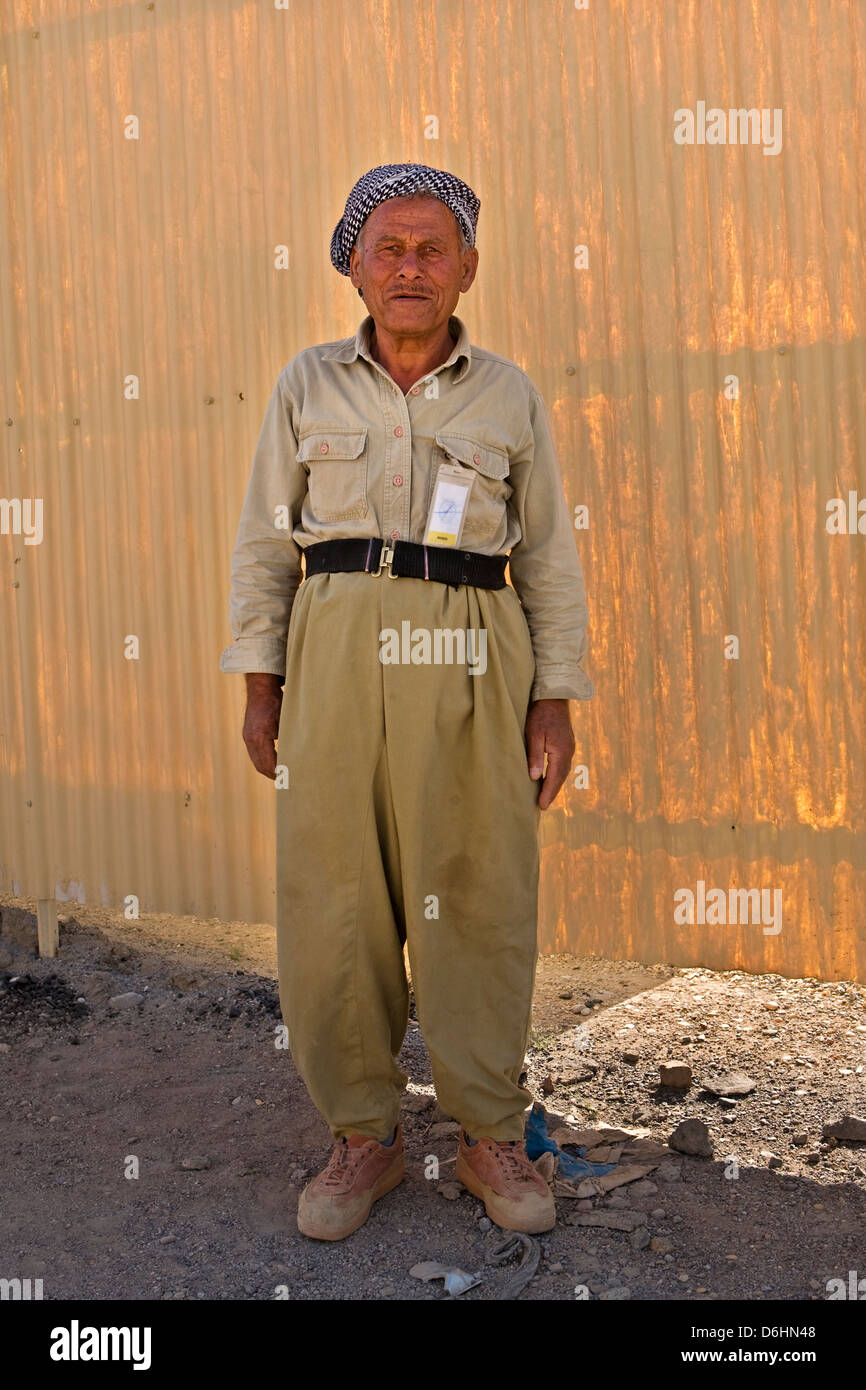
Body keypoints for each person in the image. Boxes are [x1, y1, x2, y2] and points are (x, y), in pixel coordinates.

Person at [220, 162, 595, 1241]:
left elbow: (549, 562)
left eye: (433, 249)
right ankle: (363, 1135)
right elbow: (261, 548)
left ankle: (485, 1128)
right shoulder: (305, 385)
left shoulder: (506, 393)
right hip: (331, 650)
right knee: (335, 897)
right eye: (388, 248)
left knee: (475, 886)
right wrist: (262, 686)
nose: (410, 268)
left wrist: (553, 698)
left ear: (467, 266)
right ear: (352, 265)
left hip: (473, 652)